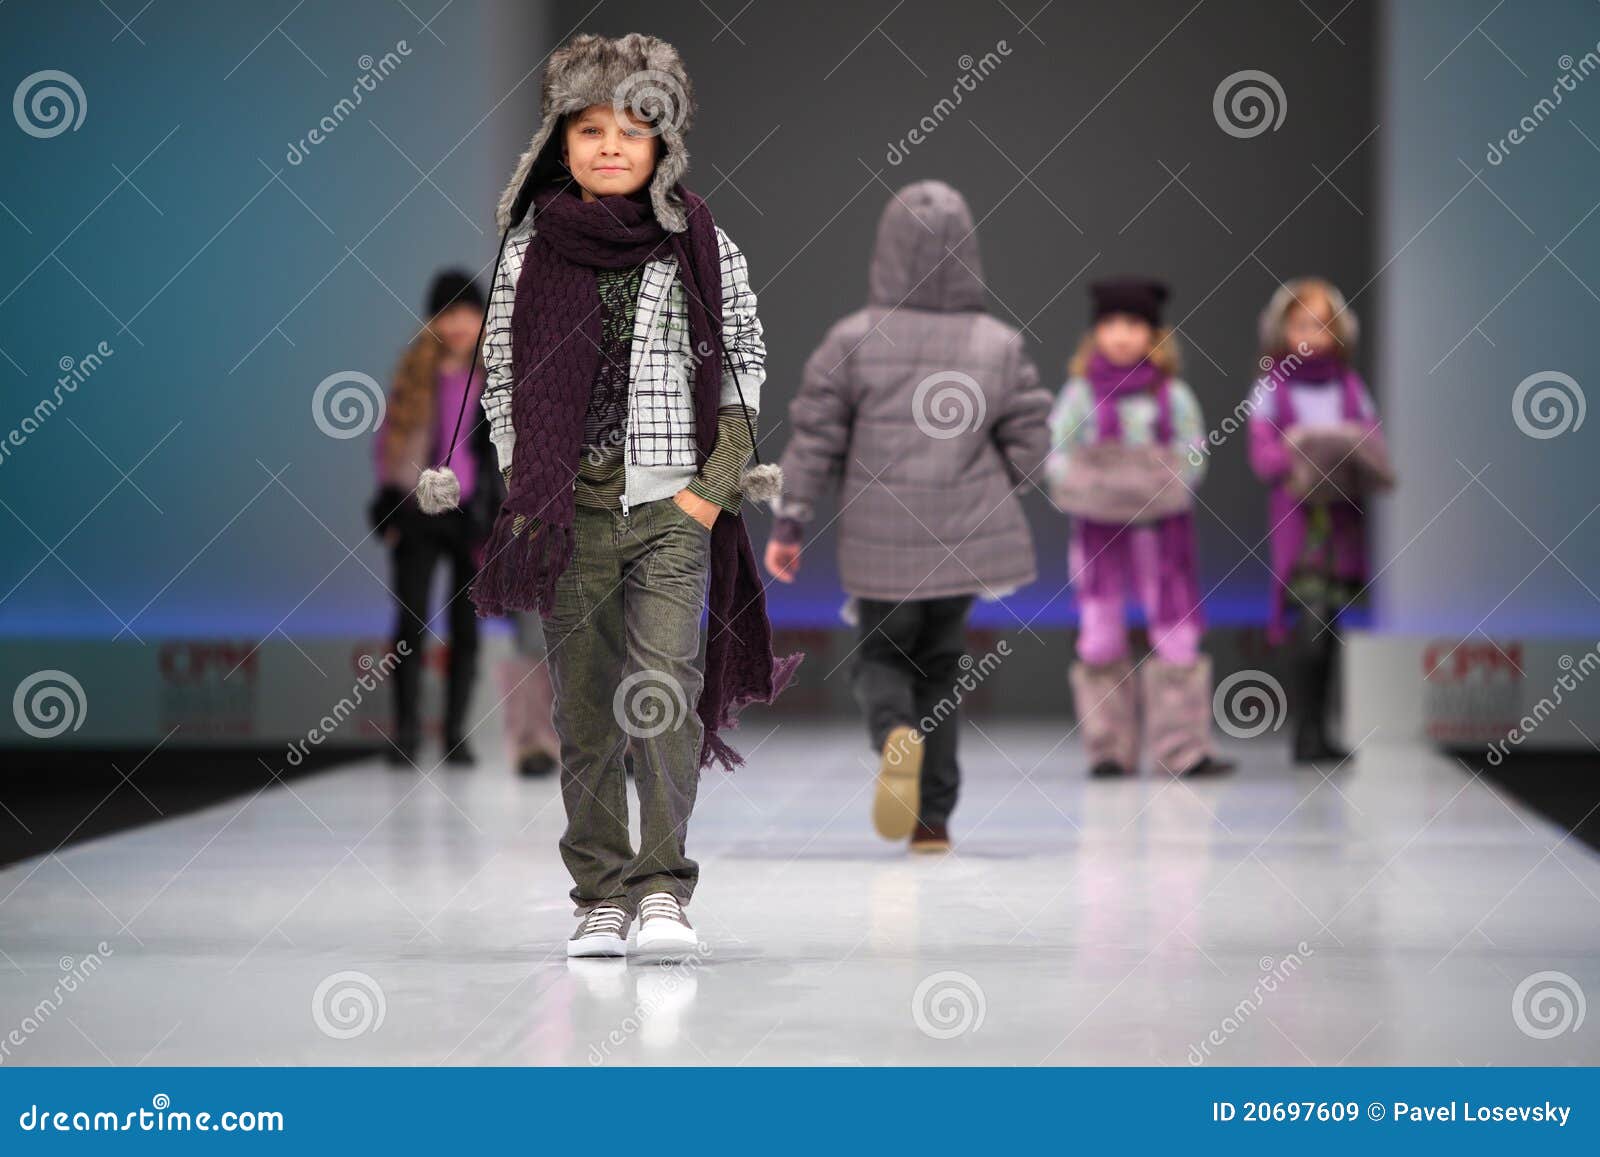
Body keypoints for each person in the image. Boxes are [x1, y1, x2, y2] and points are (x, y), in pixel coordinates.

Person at [415, 33, 801, 960]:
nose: (612, 145)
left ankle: (664, 886)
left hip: (675, 511)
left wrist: (710, 496)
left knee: (664, 693)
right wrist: (526, 480)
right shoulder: (529, 250)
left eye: (634, 128)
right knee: (585, 710)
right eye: (590, 128)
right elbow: (501, 374)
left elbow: (743, 367)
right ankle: (600, 891)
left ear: (664, 143)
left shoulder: (700, 242)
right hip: (566, 513)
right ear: (561, 141)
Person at [765, 179, 1050, 853]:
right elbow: (1033, 441)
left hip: (879, 539)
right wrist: (993, 486)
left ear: (885, 251)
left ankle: (895, 731)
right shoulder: (998, 343)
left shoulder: (852, 339)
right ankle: (934, 820)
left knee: (881, 657)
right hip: (962, 540)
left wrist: (790, 521)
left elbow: (815, 435)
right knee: (943, 668)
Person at [1044, 277, 1233, 779]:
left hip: (1161, 535)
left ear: (1154, 333)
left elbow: (1194, 452)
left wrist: (1160, 486)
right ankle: (1108, 750)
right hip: (1097, 537)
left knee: (1175, 632)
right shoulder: (1080, 395)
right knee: (1100, 633)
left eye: (1133, 324)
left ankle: (1183, 750)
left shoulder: (1172, 396)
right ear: (1095, 332)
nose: (1122, 335)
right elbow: (1056, 454)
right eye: (1110, 324)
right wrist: (1091, 488)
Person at [1247, 278, 1394, 764]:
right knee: (1308, 622)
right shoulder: (1271, 388)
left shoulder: (1350, 386)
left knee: (1331, 627)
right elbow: (1261, 453)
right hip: (1299, 523)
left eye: (1321, 324)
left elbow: (1373, 445)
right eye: (1300, 324)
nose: (1311, 334)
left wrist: (1351, 455)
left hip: (1342, 523)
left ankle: (1321, 728)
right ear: (1281, 331)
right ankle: (1305, 730)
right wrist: (1294, 458)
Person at [368, 270, 502, 767]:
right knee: (409, 620)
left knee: (465, 625)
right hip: (418, 509)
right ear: (433, 321)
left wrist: (498, 512)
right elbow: (391, 442)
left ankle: (454, 733)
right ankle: (405, 731)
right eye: (448, 314)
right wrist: (389, 500)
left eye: (468, 313)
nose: (460, 324)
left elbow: (508, 452)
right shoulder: (415, 374)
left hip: (472, 514)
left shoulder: (498, 375)